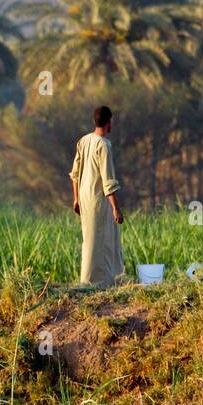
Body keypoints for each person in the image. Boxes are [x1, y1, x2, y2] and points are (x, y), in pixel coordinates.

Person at [69, 106, 125, 288]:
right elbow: (108, 181)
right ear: (109, 122)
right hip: (98, 200)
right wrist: (116, 208)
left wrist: (76, 198)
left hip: (84, 199)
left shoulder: (83, 141)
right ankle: (99, 283)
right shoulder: (104, 145)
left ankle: (90, 281)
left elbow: (74, 174)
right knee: (101, 242)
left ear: (95, 121)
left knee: (89, 240)